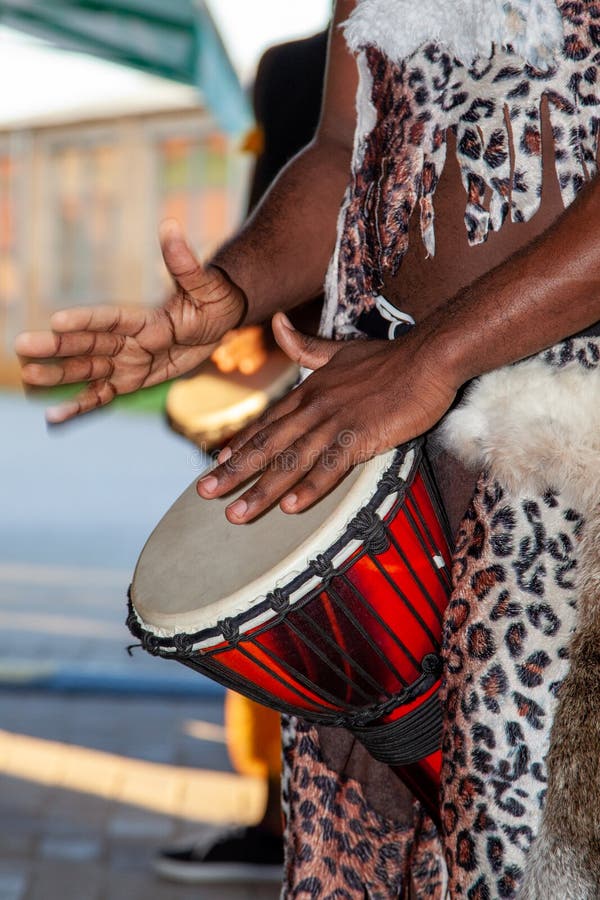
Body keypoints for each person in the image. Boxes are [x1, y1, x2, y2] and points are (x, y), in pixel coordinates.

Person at [15, 0, 600, 896]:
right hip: (377, 412)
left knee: (538, 850)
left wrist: (433, 359)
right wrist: (231, 288)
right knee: (365, 845)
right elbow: (340, 151)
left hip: (564, 446)